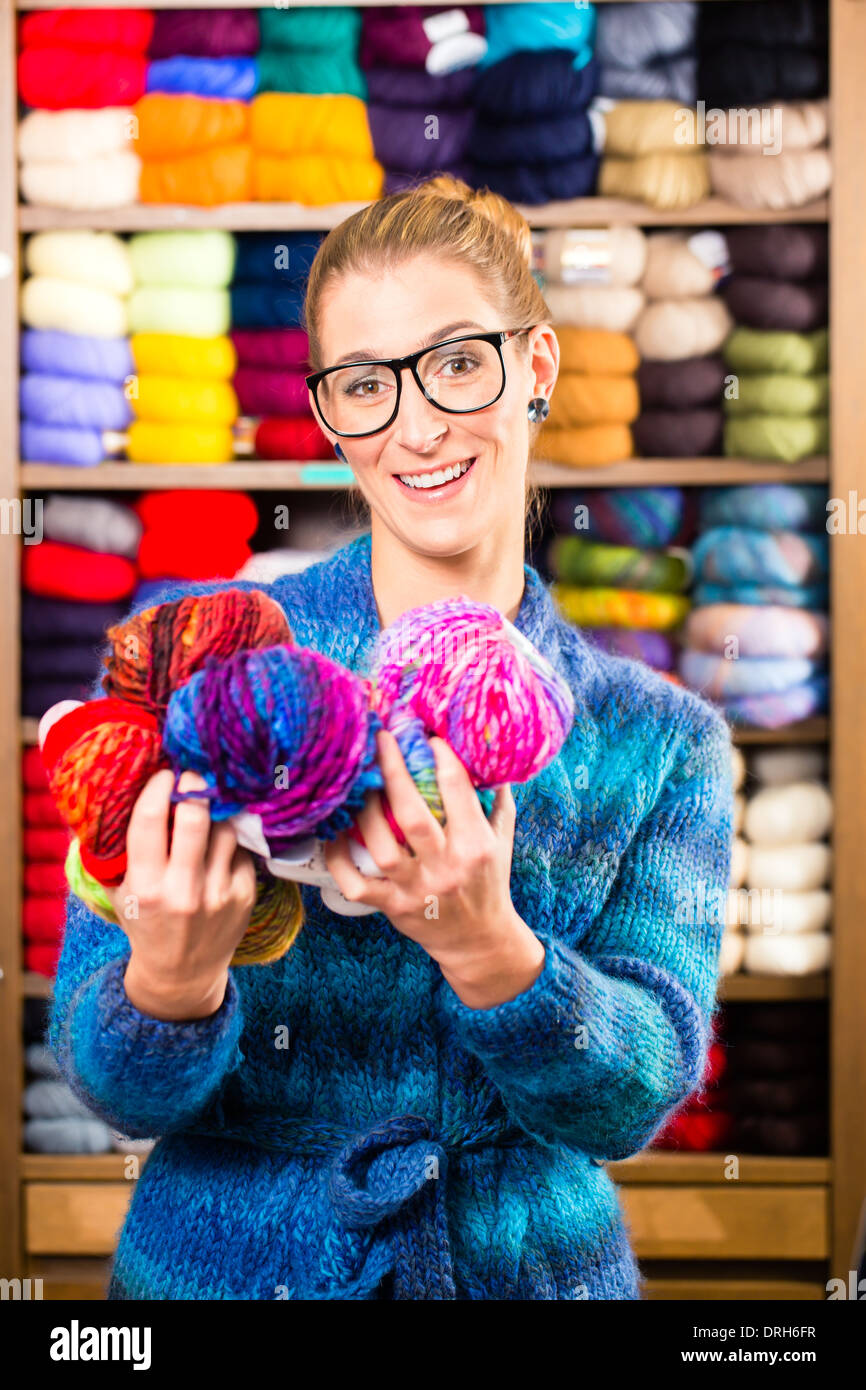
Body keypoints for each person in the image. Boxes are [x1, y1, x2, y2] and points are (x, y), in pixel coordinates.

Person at [50, 177, 734, 1301]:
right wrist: (169, 982)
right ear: (327, 416)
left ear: (536, 370)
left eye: (457, 362)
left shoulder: (660, 739)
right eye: (364, 385)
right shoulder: (207, 664)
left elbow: (632, 1100)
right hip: (220, 1277)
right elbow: (108, 1080)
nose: (416, 425)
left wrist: (491, 953)